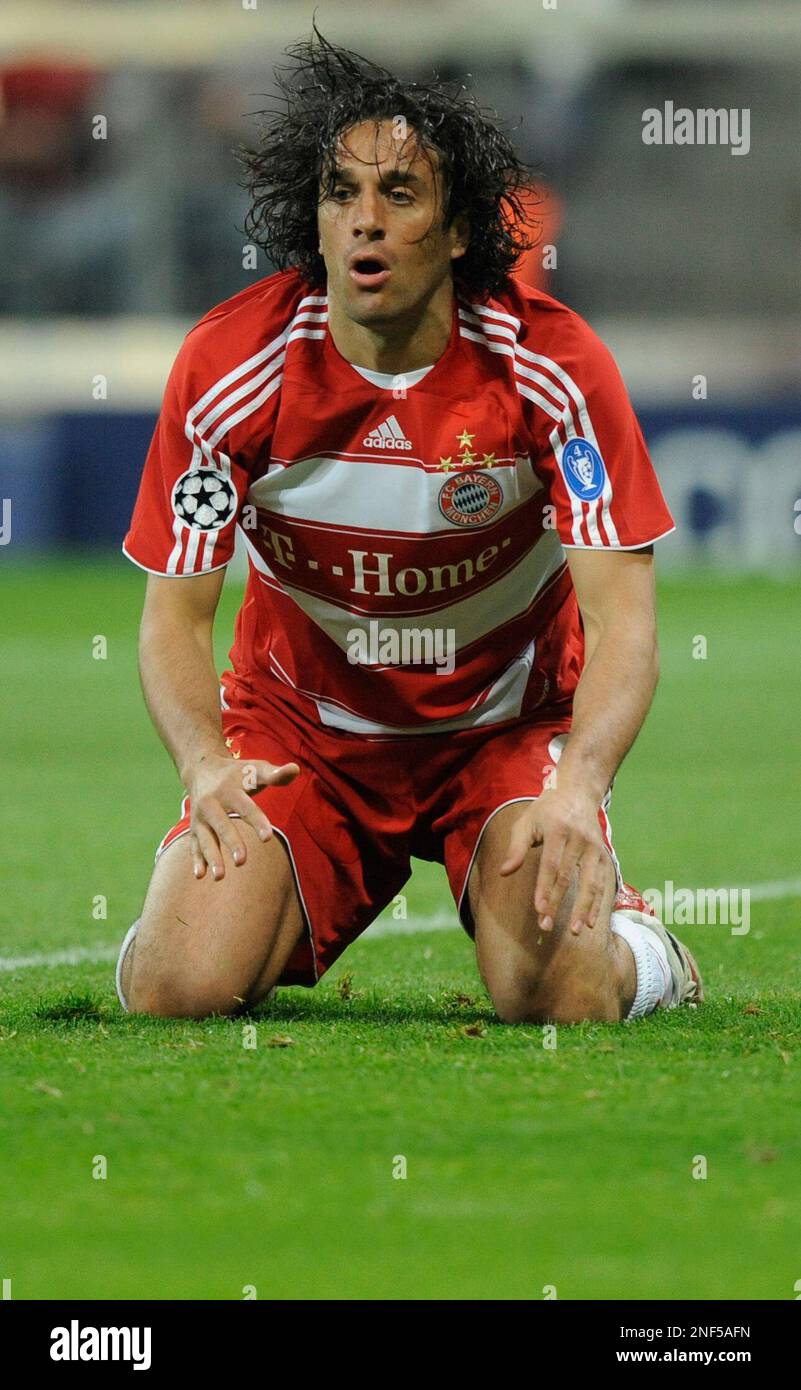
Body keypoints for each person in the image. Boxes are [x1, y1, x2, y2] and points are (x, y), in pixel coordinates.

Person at [117, 31, 702, 1024]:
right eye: (341, 193)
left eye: (399, 195)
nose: (363, 224)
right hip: (308, 736)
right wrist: (206, 764)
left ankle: (654, 956)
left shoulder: (551, 367)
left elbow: (625, 625)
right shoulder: (229, 369)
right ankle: (193, 912)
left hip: (503, 731)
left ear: (460, 229)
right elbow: (173, 619)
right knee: (176, 989)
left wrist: (579, 789)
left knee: (557, 994)